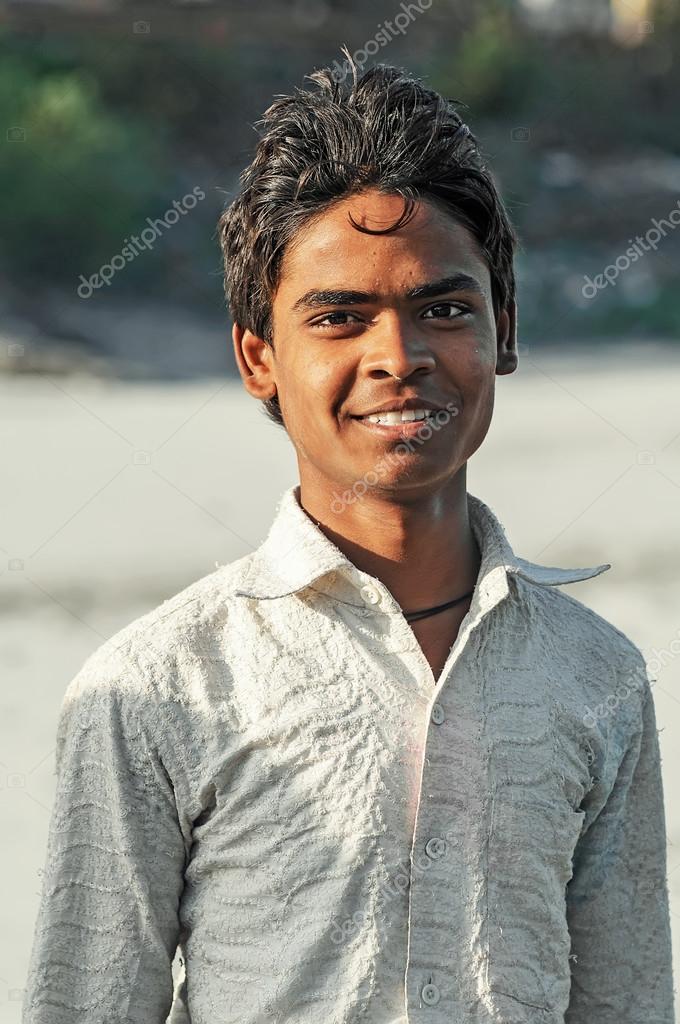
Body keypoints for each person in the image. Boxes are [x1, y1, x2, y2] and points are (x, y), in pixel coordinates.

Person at [23, 54, 675, 1024]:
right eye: (339, 317)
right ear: (258, 358)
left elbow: (630, 1001)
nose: (398, 358)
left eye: (442, 309)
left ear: (502, 331)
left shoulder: (596, 676)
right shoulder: (154, 688)